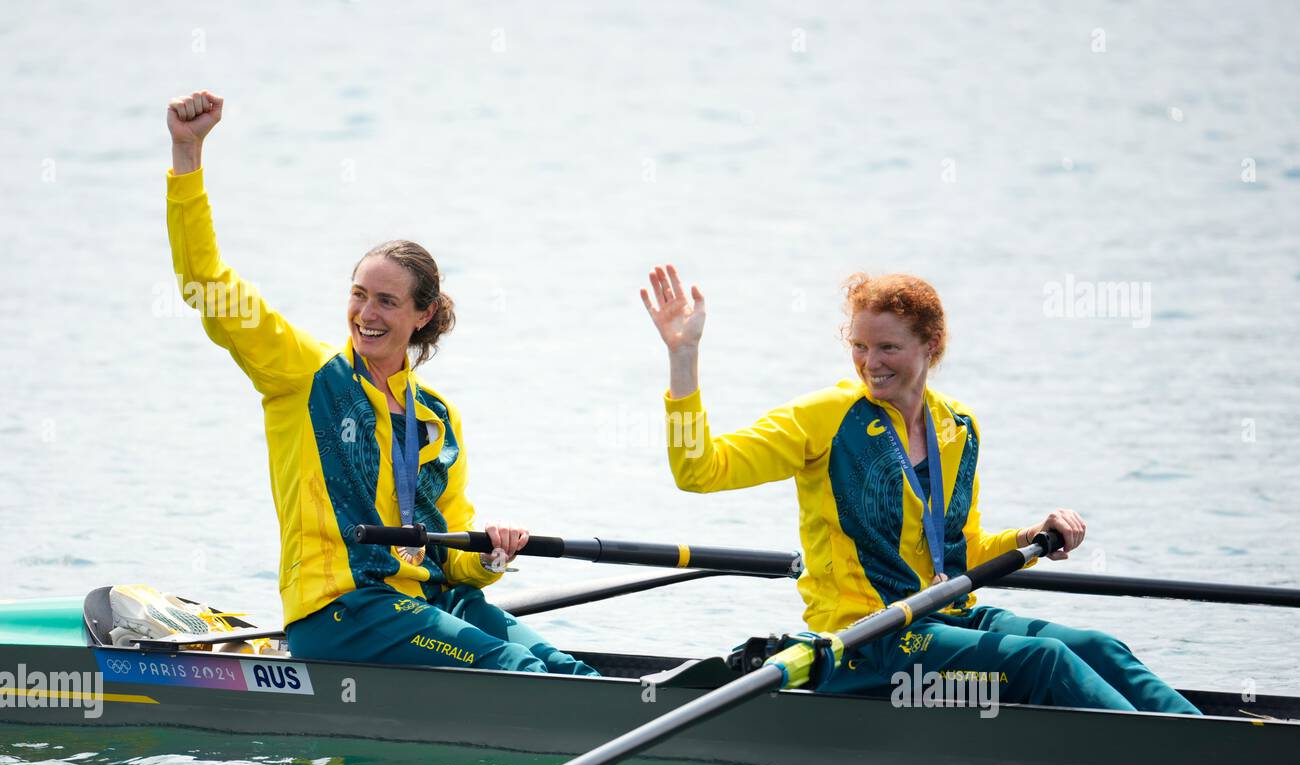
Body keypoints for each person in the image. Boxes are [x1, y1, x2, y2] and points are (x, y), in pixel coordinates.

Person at [165, 90, 595, 676]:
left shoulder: (438, 417)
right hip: (343, 611)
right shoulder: (304, 374)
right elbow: (204, 284)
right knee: (512, 666)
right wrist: (187, 154)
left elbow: (448, 559)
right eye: (359, 294)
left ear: (422, 315)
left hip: (426, 599)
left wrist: (493, 552)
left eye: (387, 301)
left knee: (554, 663)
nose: (367, 313)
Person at [642, 263, 1197, 713]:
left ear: (930, 345)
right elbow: (699, 469)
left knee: (1100, 647)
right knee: (1044, 660)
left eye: (887, 348)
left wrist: (1033, 535)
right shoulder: (826, 418)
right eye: (859, 346)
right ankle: (1186, 761)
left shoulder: (958, 426)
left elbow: (959, 552)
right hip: (866, 637)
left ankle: (1212, 741)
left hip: (948, 616)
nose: (869, 363)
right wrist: (683, 356)